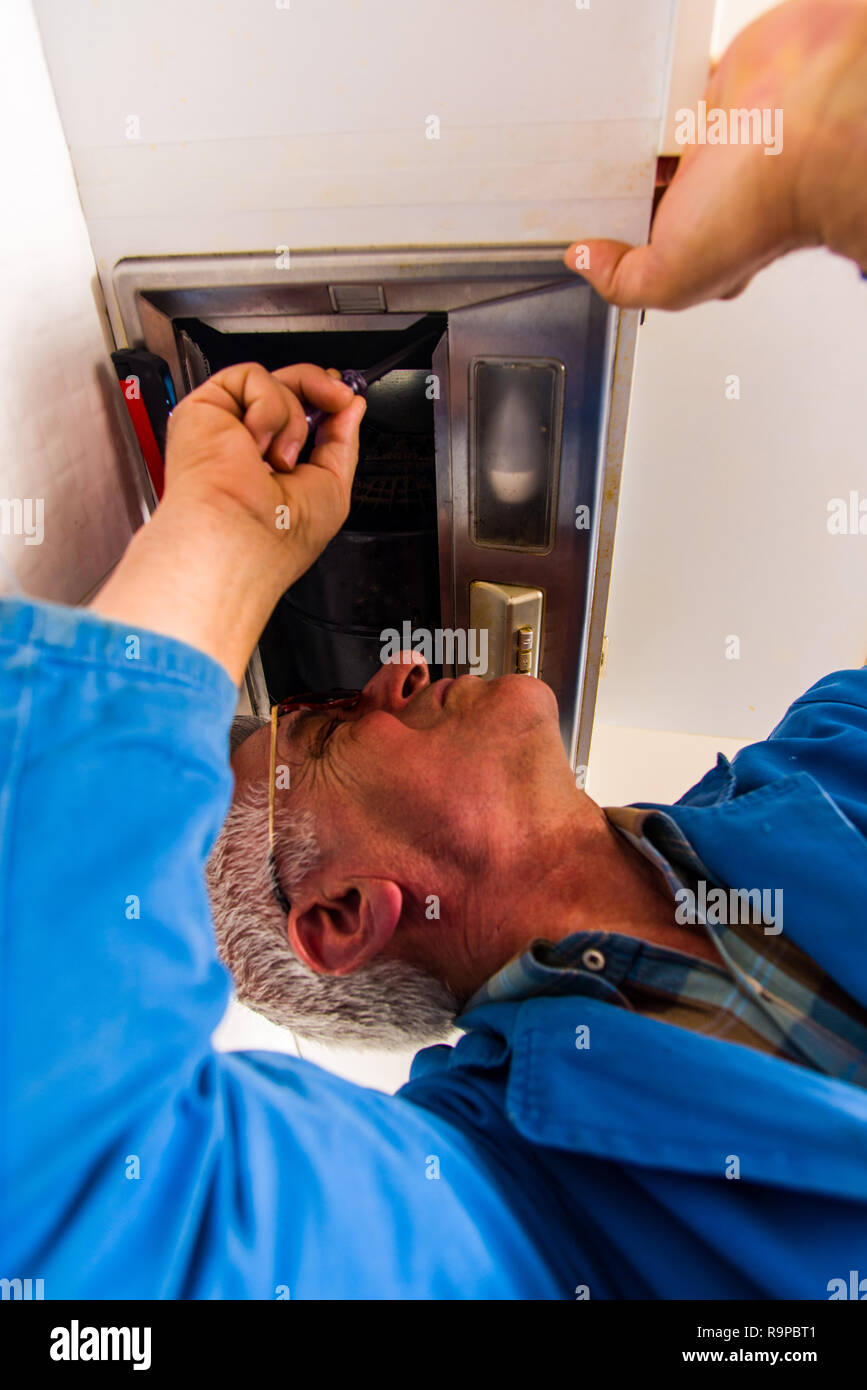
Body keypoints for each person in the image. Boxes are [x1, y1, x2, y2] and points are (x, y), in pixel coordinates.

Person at [2, 0, 866, 1300]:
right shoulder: (512, 1225)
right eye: (341, 721)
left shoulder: (830, 772)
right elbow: (61, 1184)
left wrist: (833, 144)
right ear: (345, 915)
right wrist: (218, 543)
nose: (399, 667)